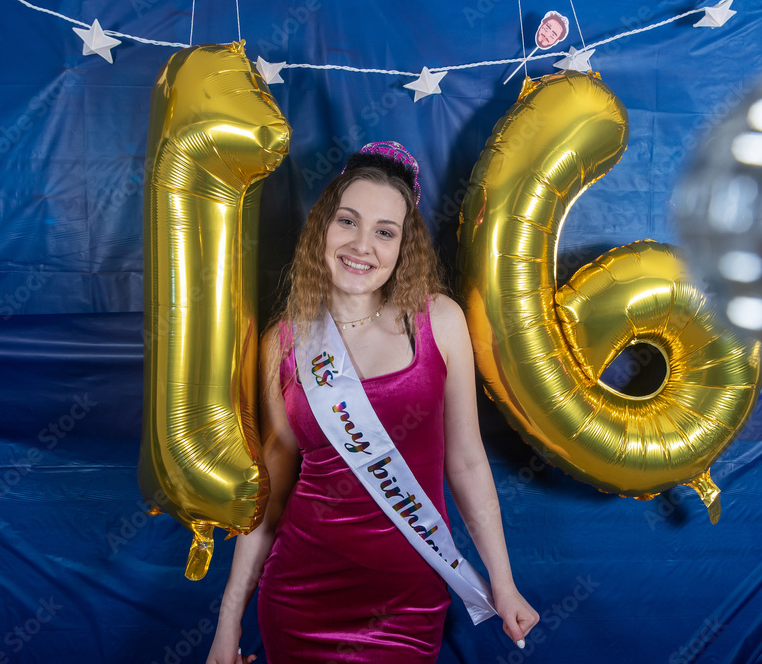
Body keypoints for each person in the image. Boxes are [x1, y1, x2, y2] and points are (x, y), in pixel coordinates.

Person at [206, 141, 538, 664]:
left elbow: (468, 461)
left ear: (404, 247)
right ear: (322, 227)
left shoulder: (439, 321)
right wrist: (227, 626)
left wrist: (503, 582)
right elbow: (269, 498)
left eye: (385, 231)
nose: (362, 244)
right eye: (347, 221)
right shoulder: (285, 344)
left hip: (408, 605)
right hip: (300, 599)